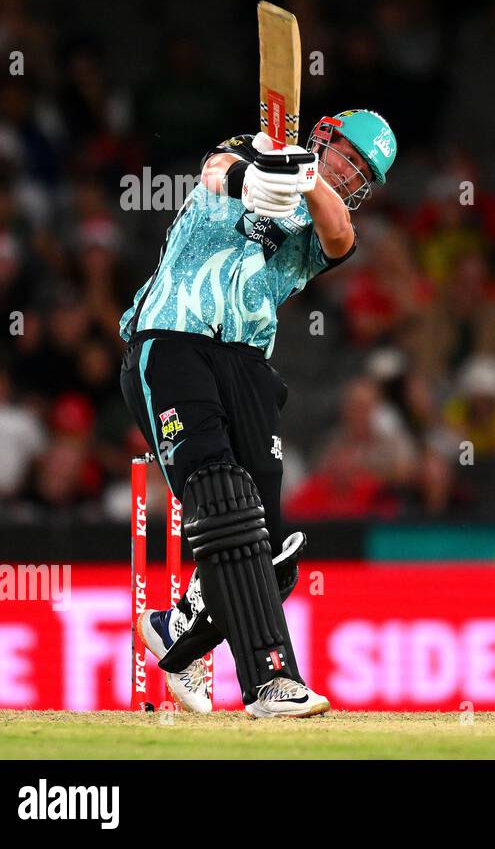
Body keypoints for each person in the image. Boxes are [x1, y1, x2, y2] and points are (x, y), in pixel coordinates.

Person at [118, 108, 396, 717]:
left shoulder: (325, 213)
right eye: (346, 155)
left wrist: (307, 181)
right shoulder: (255, 146)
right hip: (174, 336)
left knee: (271, 553)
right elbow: (217, 170)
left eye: (361, 173)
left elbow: (340, 236)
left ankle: (180, 633)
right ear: (323, 135)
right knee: (221, 494)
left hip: (248, 365)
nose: (349, 173)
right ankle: (271, 681)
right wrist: (255, 178)